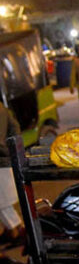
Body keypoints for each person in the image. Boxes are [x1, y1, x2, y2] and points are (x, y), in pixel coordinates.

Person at [0, 104, 23, 244]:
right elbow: (15, 128)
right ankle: (13, 230)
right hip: (6, 157)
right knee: (3, 200)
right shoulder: (2, 108)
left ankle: (17, 231)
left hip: (1, 160)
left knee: (3, 201)